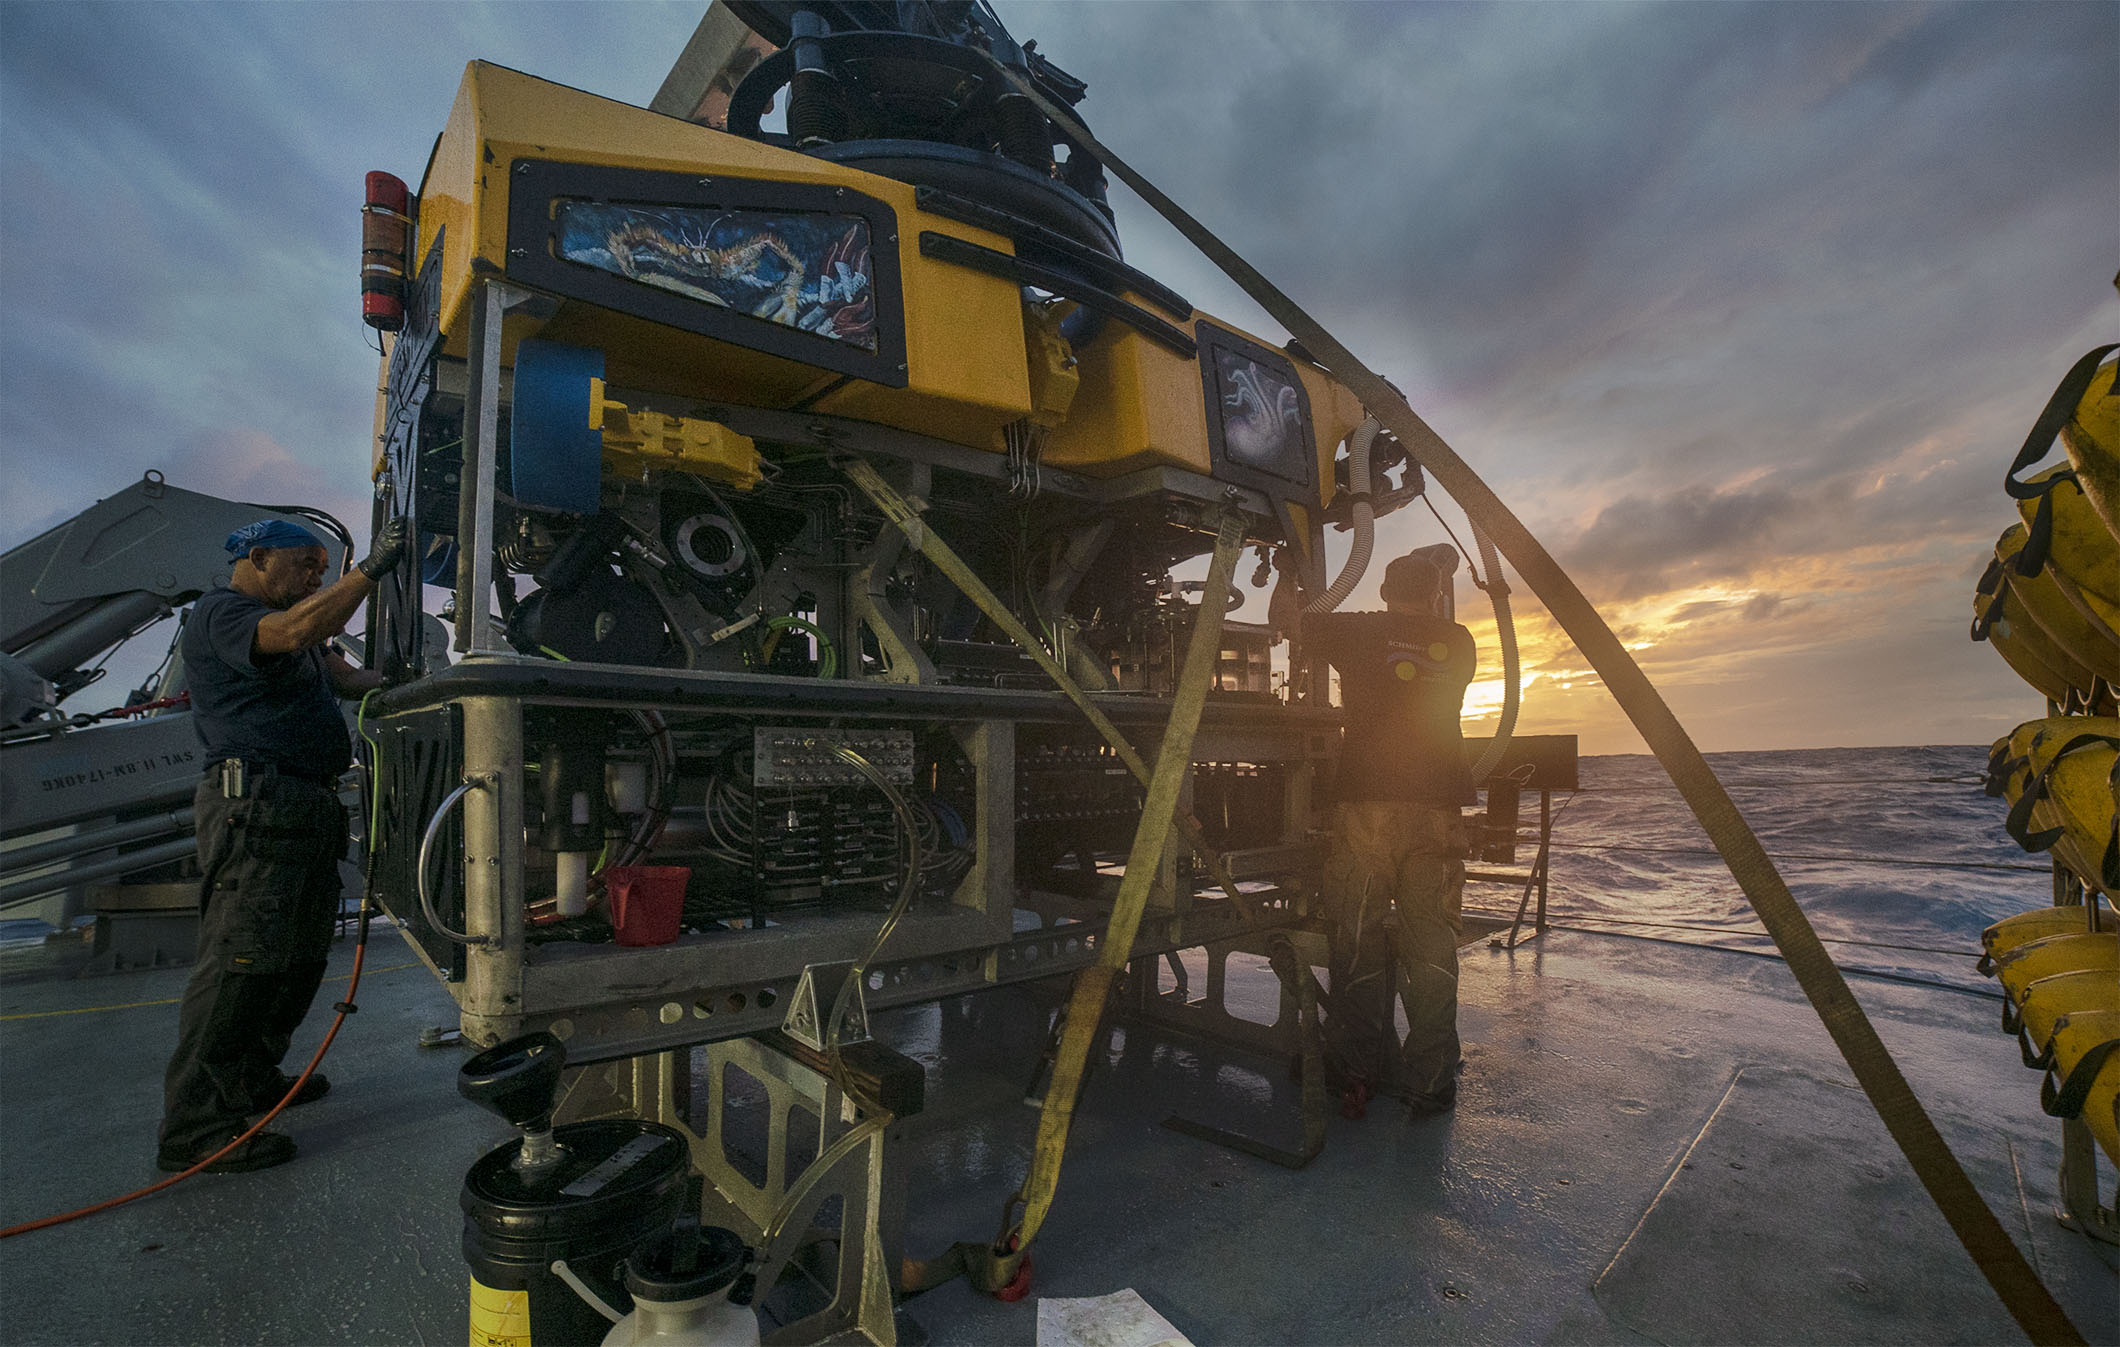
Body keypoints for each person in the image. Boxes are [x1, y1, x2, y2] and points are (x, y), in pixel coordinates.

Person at [155, 515, 408, 1173]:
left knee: (297, 955)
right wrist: (371, 568)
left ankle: (249, 1075)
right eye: (307, 565)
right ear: (258, 556)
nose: (312, 578)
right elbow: (299, 629)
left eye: (322, 572)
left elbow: (354, 679)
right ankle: (194, 1125)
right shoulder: (225, 612)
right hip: (256, 805)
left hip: (306, 803)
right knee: (241, 958)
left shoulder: (301, 639)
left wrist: (403, 677)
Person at [1305, 544, 1476, 1118]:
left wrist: (1286, 571)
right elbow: (1434, 624)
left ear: (1382, 593)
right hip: (1437, 809)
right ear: (1434, 595)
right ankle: (1429, 1081)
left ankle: (1357, 1067)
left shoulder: (1355, 633)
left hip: (1367, 805)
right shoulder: (1460, 643)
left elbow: (1298, 622)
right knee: (1432, 943)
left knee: (1358, 936)